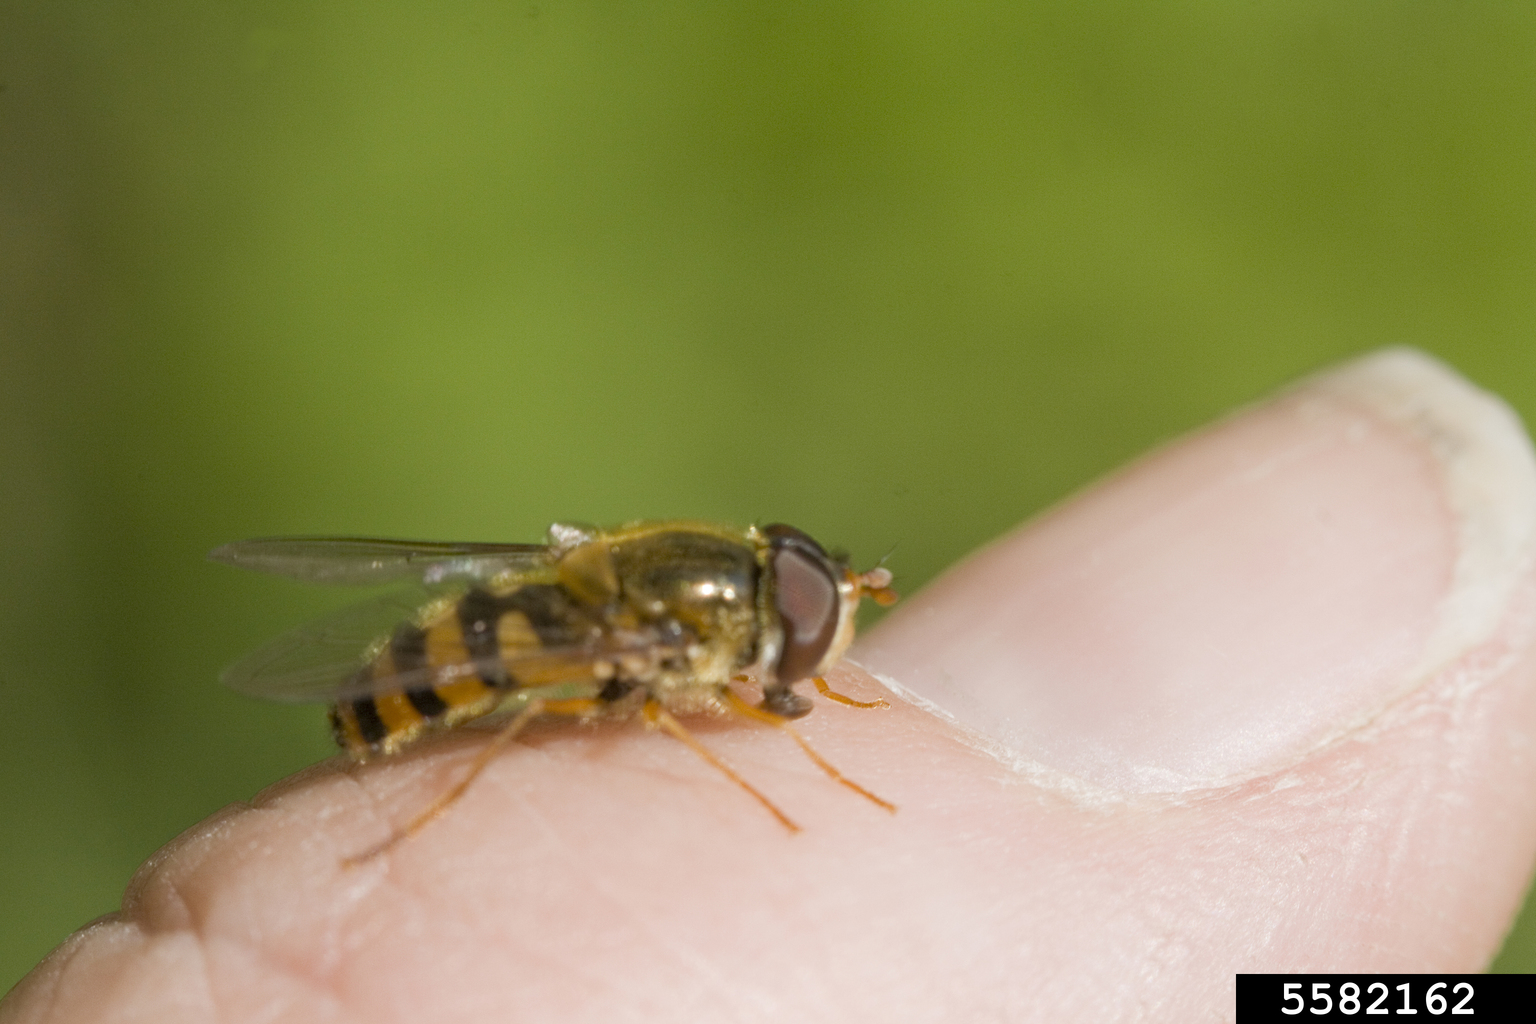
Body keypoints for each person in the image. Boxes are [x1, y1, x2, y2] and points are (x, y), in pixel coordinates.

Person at [5, 348, 1533, 1023]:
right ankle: (431, 801)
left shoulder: (708, 597)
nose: (823, 615)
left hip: (511, 617)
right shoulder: (666, 647)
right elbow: (567, 682)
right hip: (500, 662)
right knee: (525, 692)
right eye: (810, 612)